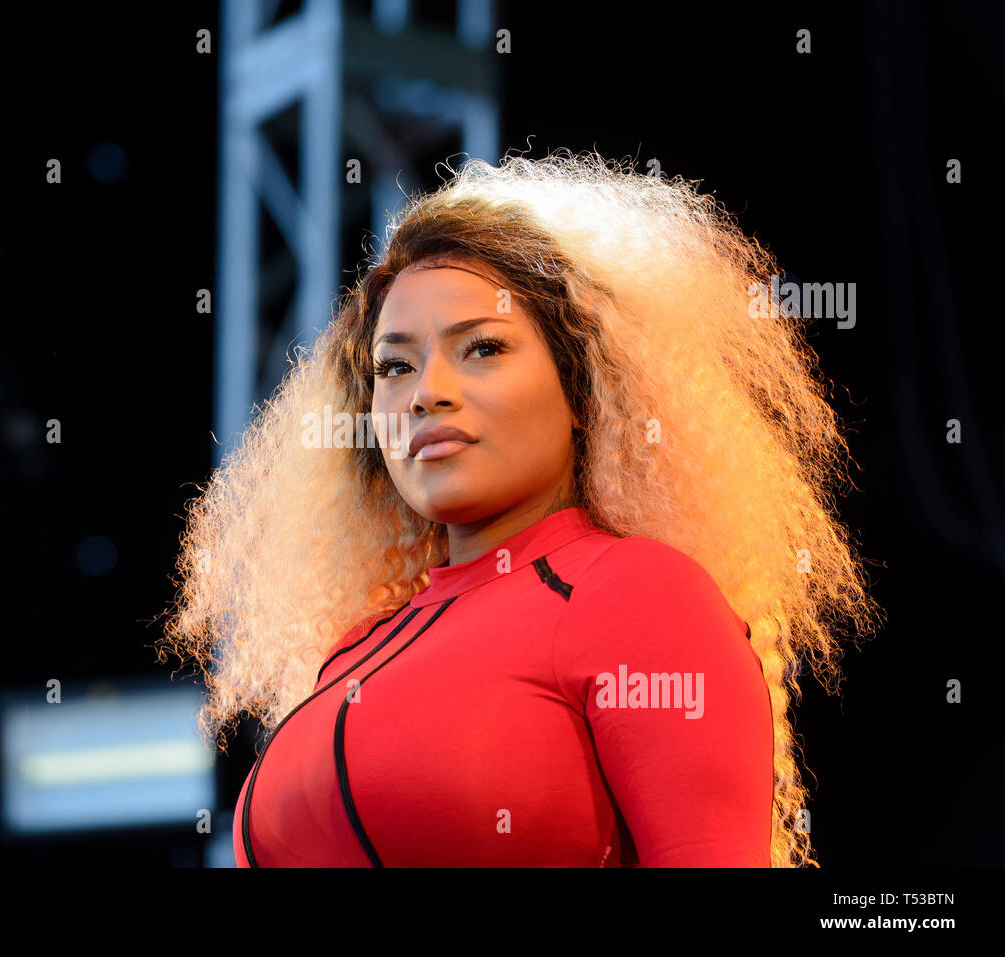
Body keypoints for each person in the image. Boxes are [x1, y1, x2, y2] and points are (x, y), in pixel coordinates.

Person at [159, 149, 883, 867]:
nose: (427, 392)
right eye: (395, 365)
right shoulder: (351, 652)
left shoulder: (634, 594)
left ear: (582, 387)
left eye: (482, 347)